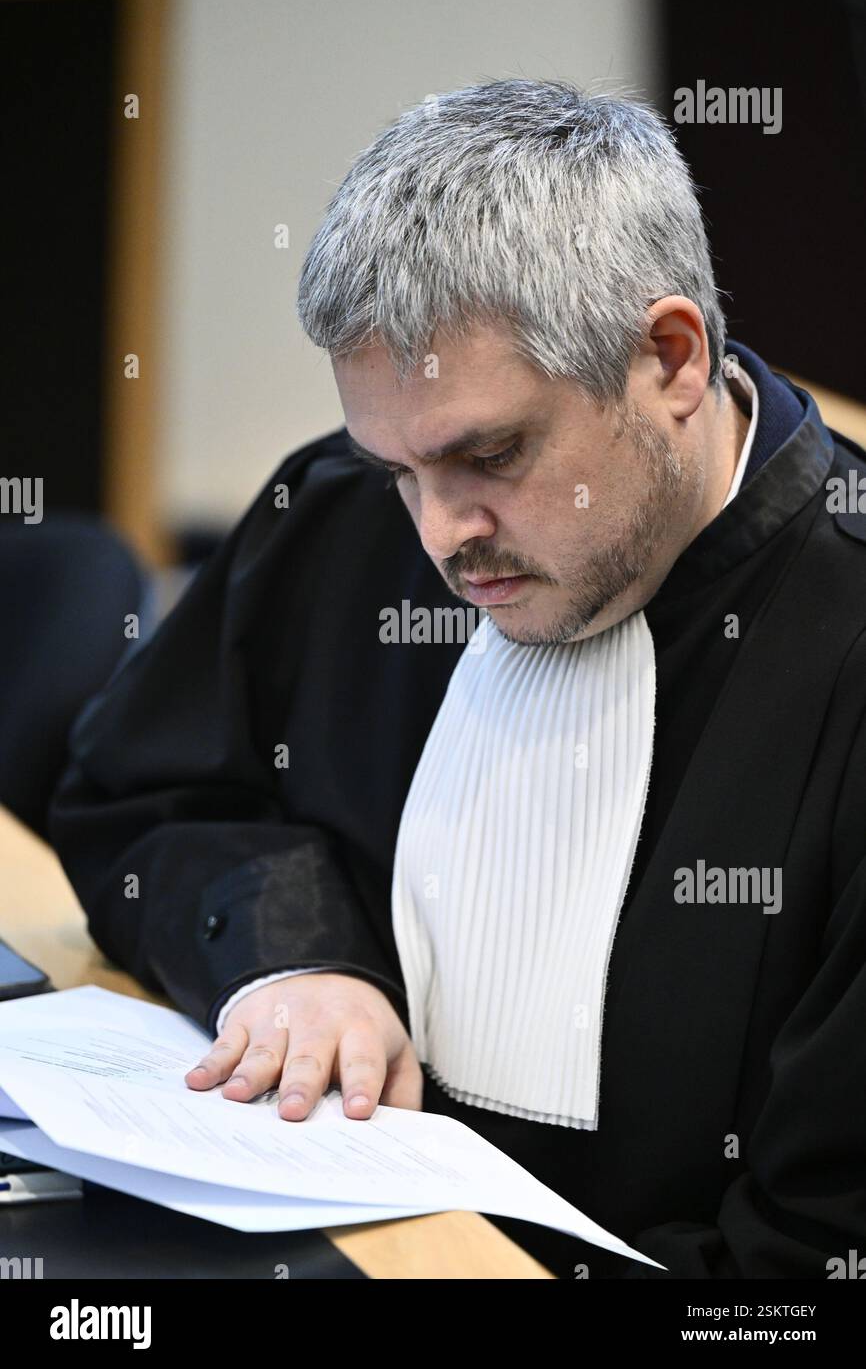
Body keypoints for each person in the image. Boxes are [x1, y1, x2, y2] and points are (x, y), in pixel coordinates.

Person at [49, 79, 866, 1279]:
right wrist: (295, 957)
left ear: (670, 357)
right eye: (396, 468)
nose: (439, 534)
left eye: (489, 455)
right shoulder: (341, 515)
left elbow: (810, 1254)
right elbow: (139, 798)